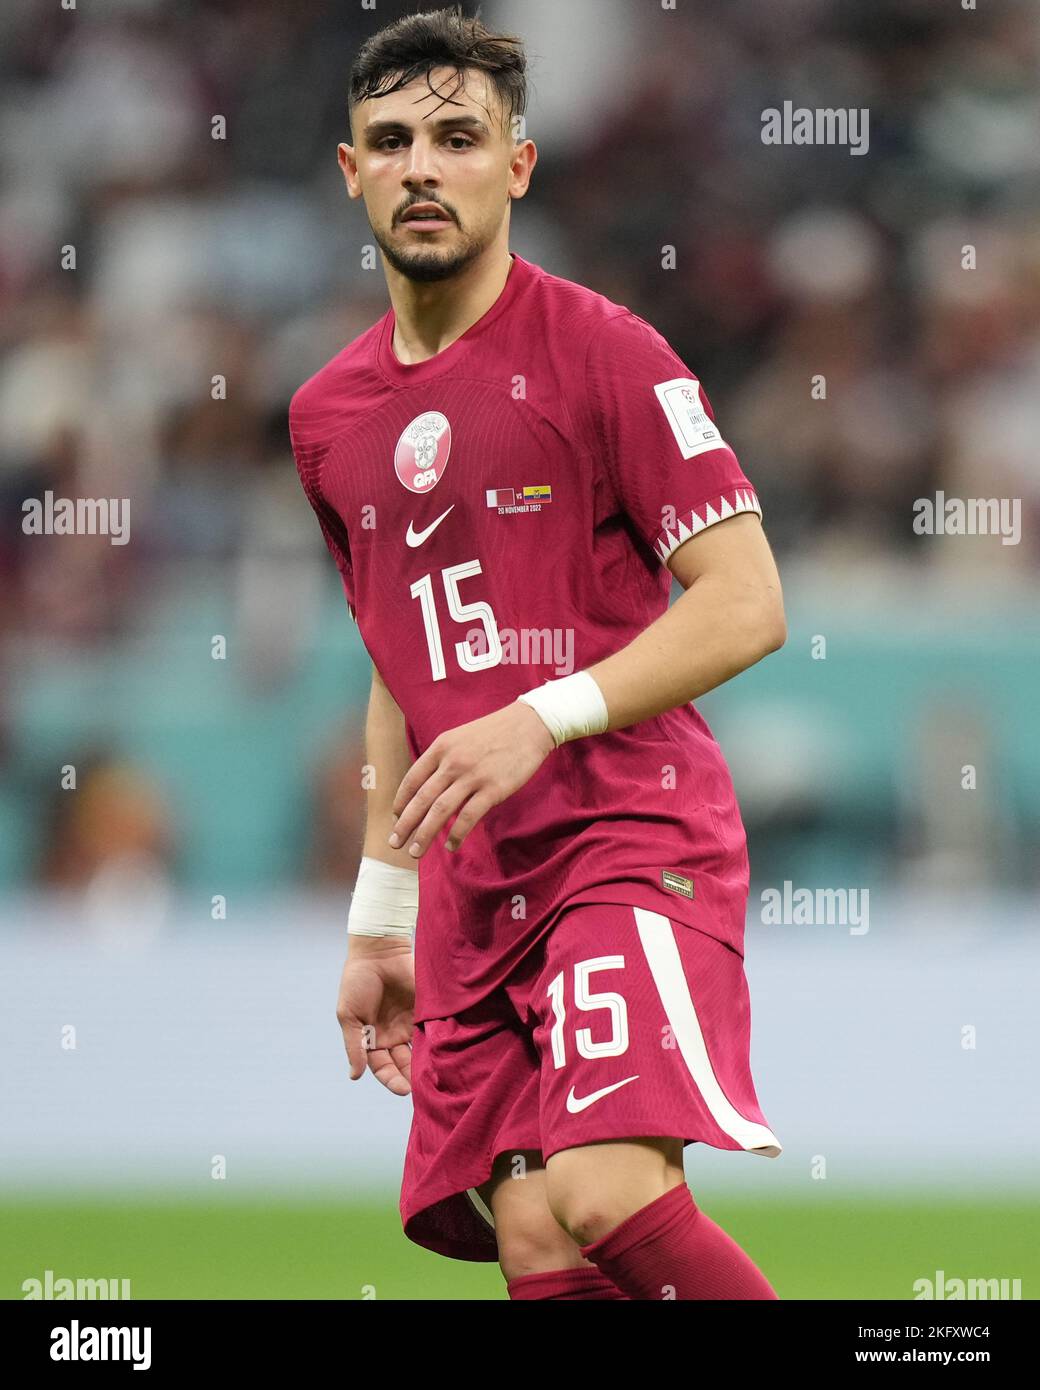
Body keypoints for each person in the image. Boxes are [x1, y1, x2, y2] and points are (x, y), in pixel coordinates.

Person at [290, 5, 786, 1301]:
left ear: (516, 163)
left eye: (457, 137)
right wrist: (382, 908)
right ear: (353, 173)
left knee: (604, 1186)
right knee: (532, 1240)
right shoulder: (325, 416)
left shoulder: (607, 352)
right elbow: (405, 669)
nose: (421, 166)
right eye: (390, 140)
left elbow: (746, 603)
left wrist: (545, 715)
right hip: (466, 886)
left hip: (627, 830)